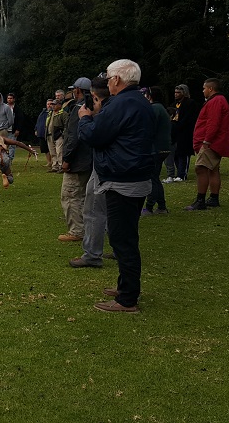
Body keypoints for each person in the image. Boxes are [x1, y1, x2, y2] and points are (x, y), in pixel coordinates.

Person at [78, 59, 155, 313]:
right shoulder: (138, 101)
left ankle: (127, 299)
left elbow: (94, 135)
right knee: (124, 237)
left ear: (118, 80)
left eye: (109, 78)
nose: (108, 82)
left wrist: (85, 119)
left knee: (123, 240)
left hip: (123, 180)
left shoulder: (121, 103)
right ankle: (125, 287)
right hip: (132, 176)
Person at [68, 76, 113, 268]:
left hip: (106, 165)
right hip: (120, 166)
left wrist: (86, 118)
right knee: (115, 210)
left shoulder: (109, 111)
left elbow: (91, 136)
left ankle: (92, 254)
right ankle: (119, 249)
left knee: (94, 209)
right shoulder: (129, 105)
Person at [185, 79, 229, 211]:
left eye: (204, 88)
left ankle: (200, 200)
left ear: (210, 89)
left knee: (201, 168)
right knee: (213, 169)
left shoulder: (216, 101)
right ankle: (213, 198)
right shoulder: (219, 100)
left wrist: (207, 141)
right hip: (216, 141)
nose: (203, 91)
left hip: (211, 142)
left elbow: (213, 122)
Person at [57, 78, 94, 243]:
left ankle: (77, 231)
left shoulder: (79, 109)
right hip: (90, 160)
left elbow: (73, 137)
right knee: (86, 196)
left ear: (78, 90)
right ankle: (89, 227)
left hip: (77, 161)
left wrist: (67, 159)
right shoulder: (95, 107)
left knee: (70, 195)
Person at [142, 86, 172, 215]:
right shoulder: (160, 108)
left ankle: (149, 206)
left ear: (150, 96)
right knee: (155, 178)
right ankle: (161, 206)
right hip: (163, 148)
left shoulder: (154, 109)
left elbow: (149, 128)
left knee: (152, 178)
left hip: (156, 148)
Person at [169, 85, 199, 182]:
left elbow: (189, 118)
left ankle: (182, 174)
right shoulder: (174, 104)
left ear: (184, 93)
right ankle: (179, 173)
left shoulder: (190, 103)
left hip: (185, 132)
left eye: (178, 92)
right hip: (175, 132)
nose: (176, 94)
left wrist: (180, 125)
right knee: (175, 153)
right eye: (175, 92)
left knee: (184, 153)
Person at [46, 90, 67, 173]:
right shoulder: (50, 113)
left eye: (54, 104)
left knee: (59, 151)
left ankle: (61, 166)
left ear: (59, 105)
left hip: (59, 134)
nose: (53, 106)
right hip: (50, 135)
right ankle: (55, 166)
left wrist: (63, 134)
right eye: (52, 105)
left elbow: (66, 124)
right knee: (52, 152)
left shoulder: (63, 113)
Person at [35, 99, 53, 169]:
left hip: (49, 133)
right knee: (45, 149)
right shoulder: (43, 112)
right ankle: (49, 162)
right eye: (48, 104)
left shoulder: (53, 113)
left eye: (51, 104)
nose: (49, 105)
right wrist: (36, 129)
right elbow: (38, 121)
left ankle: (53, 162)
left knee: (50, 148)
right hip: (41, 133)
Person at [6, 93, 23, 161]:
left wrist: (18, 129)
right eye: (8, 98)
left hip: (13, 130)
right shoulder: (3, 107)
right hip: (4, 130)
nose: (9, 100)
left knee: (12, 146)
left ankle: (9, 160)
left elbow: (20, 119)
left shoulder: (17, 109)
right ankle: (3, 160)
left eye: (11, 98)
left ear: (14, 99)